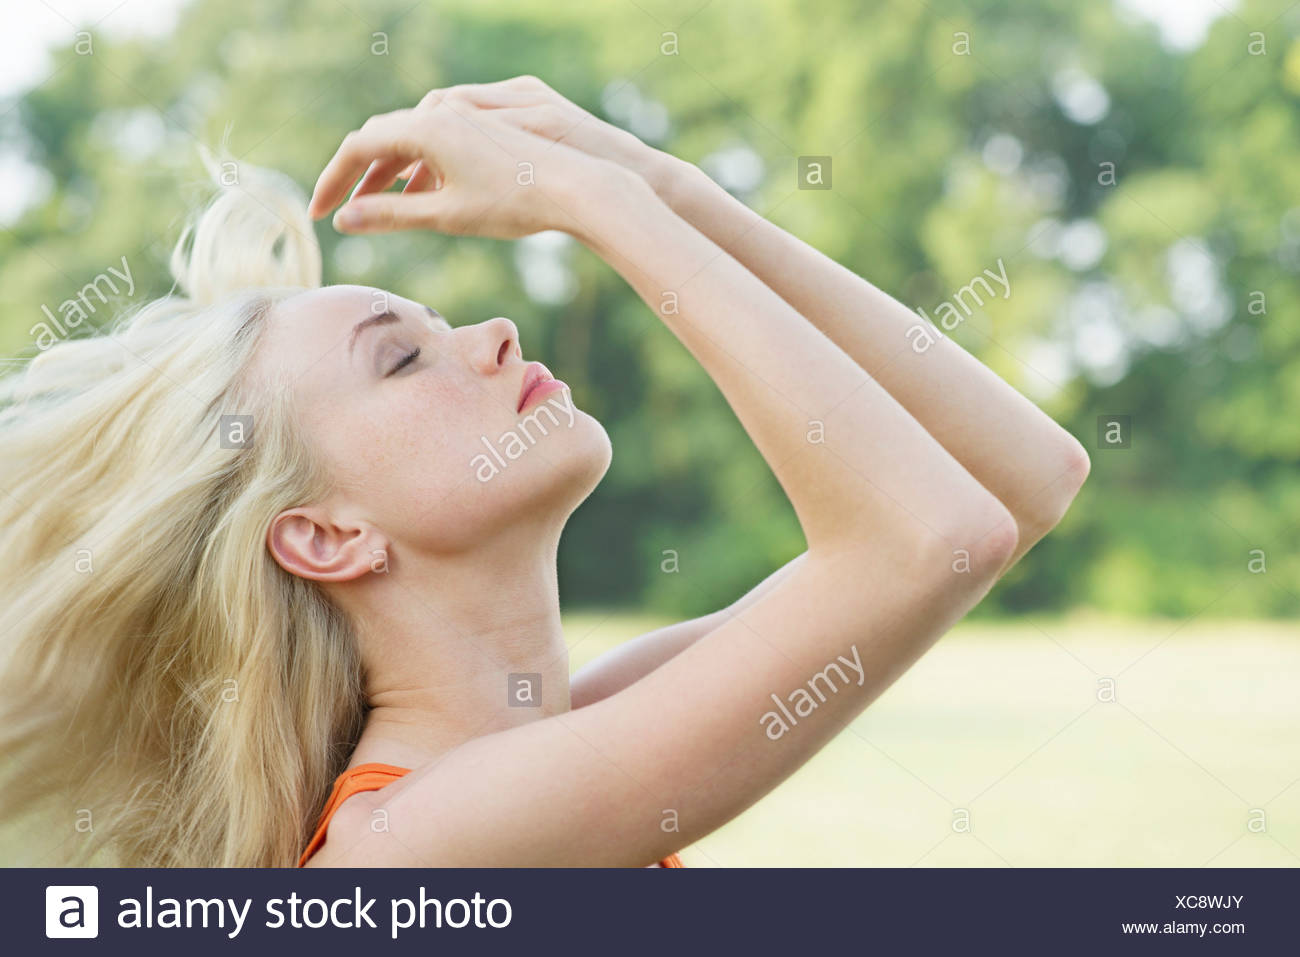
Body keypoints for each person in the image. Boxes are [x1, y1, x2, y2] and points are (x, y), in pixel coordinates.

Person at [0, 76, 1087, 868]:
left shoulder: (565, 732)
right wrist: (591, 203)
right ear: (326, 537)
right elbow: (931, 539)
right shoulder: (411, 844)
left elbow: (1021, 485)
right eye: (403, 356)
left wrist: (659, 184)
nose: (496, 332)